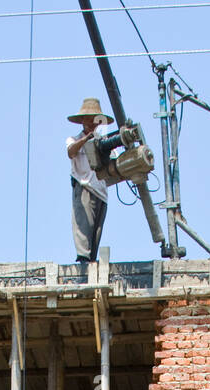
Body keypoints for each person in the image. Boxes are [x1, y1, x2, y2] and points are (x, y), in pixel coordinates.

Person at [66, 98, 115, 271]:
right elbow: (71, 152)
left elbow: (114, 161)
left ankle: (91, 261)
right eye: (86, 119)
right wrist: (87, 139)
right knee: (83, 224)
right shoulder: (75, 139)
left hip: (101, 190)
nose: (89, 122)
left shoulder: (103, 140)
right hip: (84, 185)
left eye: (93, 119)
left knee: (96, 230)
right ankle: (83, 258)